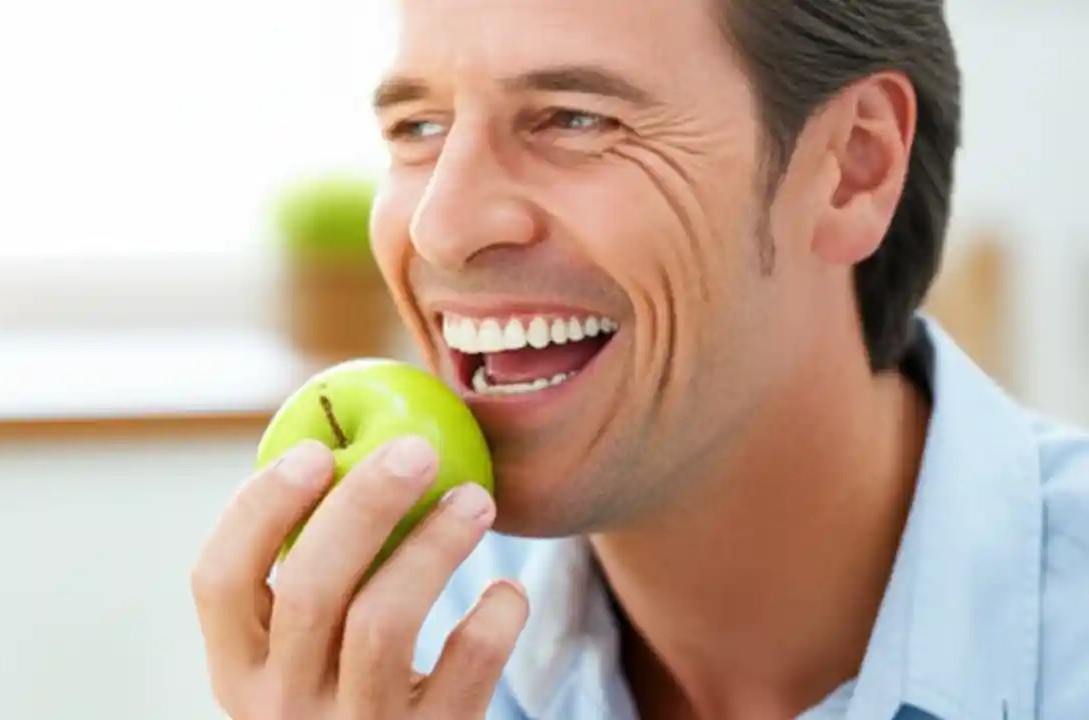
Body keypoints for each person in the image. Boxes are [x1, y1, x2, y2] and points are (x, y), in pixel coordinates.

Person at [190, 0, 1089, 717]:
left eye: (576, 119)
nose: (443, 227)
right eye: (420, 128)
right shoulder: (382, 653)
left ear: (852, 166)